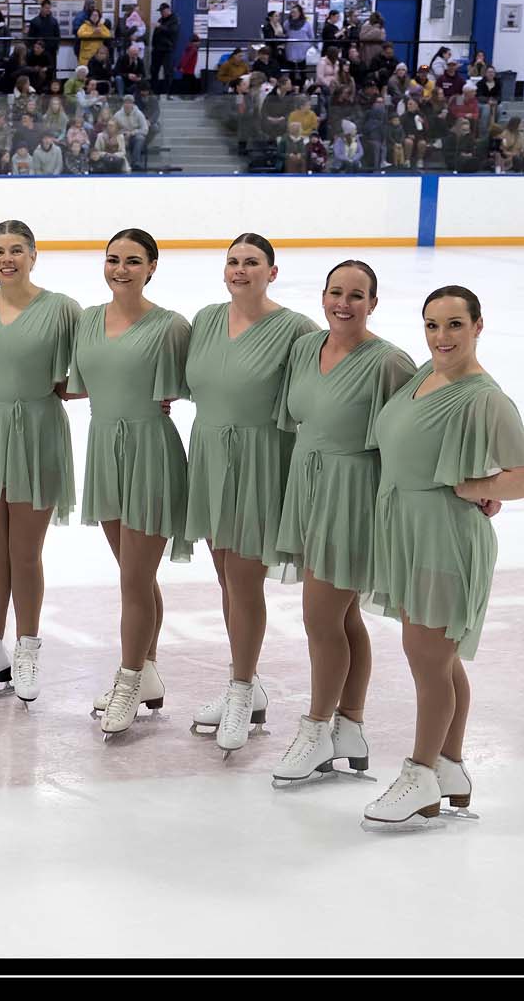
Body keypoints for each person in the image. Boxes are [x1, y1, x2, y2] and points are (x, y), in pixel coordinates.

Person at [363, 286, 524, 827]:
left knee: (427, 659)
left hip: (444, 535)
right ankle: (451, 766)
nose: (442, 337)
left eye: (455, 325)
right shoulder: (425, 374)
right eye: (432, 325)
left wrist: (474, 488)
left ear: (478, 327)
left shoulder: (485, 397)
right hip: (409, 529)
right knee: (439, 658)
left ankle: (420, 774)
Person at [269, 261, 417, 784]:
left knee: (321, 619)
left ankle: (315, 731)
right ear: (322, 296)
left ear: (373, 304)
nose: (344, 303)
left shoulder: (389, 363)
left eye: (357, 295)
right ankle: (349, 726)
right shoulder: (307, 348)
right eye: (336, 292)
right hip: (308, 488)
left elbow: (417, 426)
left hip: (353, 495)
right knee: (343, 617)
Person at [183, 234, 317, 753]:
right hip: (210, 454)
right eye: (233, 262)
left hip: (262, 460)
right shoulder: (207, 320)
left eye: (252, 263)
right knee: (226, 577)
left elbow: (318, 393)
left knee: (242, 581)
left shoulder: (296, 330)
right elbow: (193, 381)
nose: (241, 270)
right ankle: (248, 680)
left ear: (272, 272)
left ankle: (241, 690)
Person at [66, 230, 192, 731]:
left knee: (134, 580)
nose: (121, 269)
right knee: (135, 575)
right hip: (104, 449)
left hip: (150, 452)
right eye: (113, 259)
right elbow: (75, 383)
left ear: (152, 267)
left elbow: (207, 377)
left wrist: (171, 397)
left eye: (133, 261)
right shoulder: (88, 320)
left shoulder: (171, 328)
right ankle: (149, 673)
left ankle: (129, 677)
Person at [0, 220, 79, 705]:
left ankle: (26, 648)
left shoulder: (63, 310)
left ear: (33, 255)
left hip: (36, 433)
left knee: (25, 553)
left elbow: (85, 371)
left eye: (17, 250)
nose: (8, 258)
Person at [150, 3, 180, 95]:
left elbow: (172, 31)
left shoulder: (174, 20)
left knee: (168, 72)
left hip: (167, 50)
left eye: (162, 11)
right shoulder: (161, 20)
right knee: (154, 70)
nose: (161, 13)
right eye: (160, 12)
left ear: (168, 10)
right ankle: (154, 90)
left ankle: (167, 92)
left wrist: (160, 26)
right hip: (157, 50)